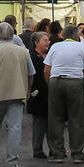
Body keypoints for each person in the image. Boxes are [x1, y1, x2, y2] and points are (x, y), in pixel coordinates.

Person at [0, 22, 33, 167]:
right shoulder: (24, 52)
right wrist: (27, 90)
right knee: (15, 128)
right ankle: (12, 161)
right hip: (17, 93)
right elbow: (31, 74)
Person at [44, 25, 84, 163]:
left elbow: (46, 69)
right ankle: (77, 153)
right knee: (76, 118)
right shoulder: (81, 47)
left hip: (56, 81)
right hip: (75, 82)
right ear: (76, 35)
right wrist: (79, 73)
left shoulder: (55, 46)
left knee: (55, 118)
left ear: (63, 35)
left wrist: (50, 84)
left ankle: (58, 153)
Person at [27, 31, 52, 159]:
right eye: (45, 40)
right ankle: (37, 150)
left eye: (48, 40)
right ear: (36, 42)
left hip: (50, 94)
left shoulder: (49, 55)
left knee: (51, 123)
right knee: (39, 123)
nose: (48, 42)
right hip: (37, 94)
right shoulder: (32, 57)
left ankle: (54, 149)